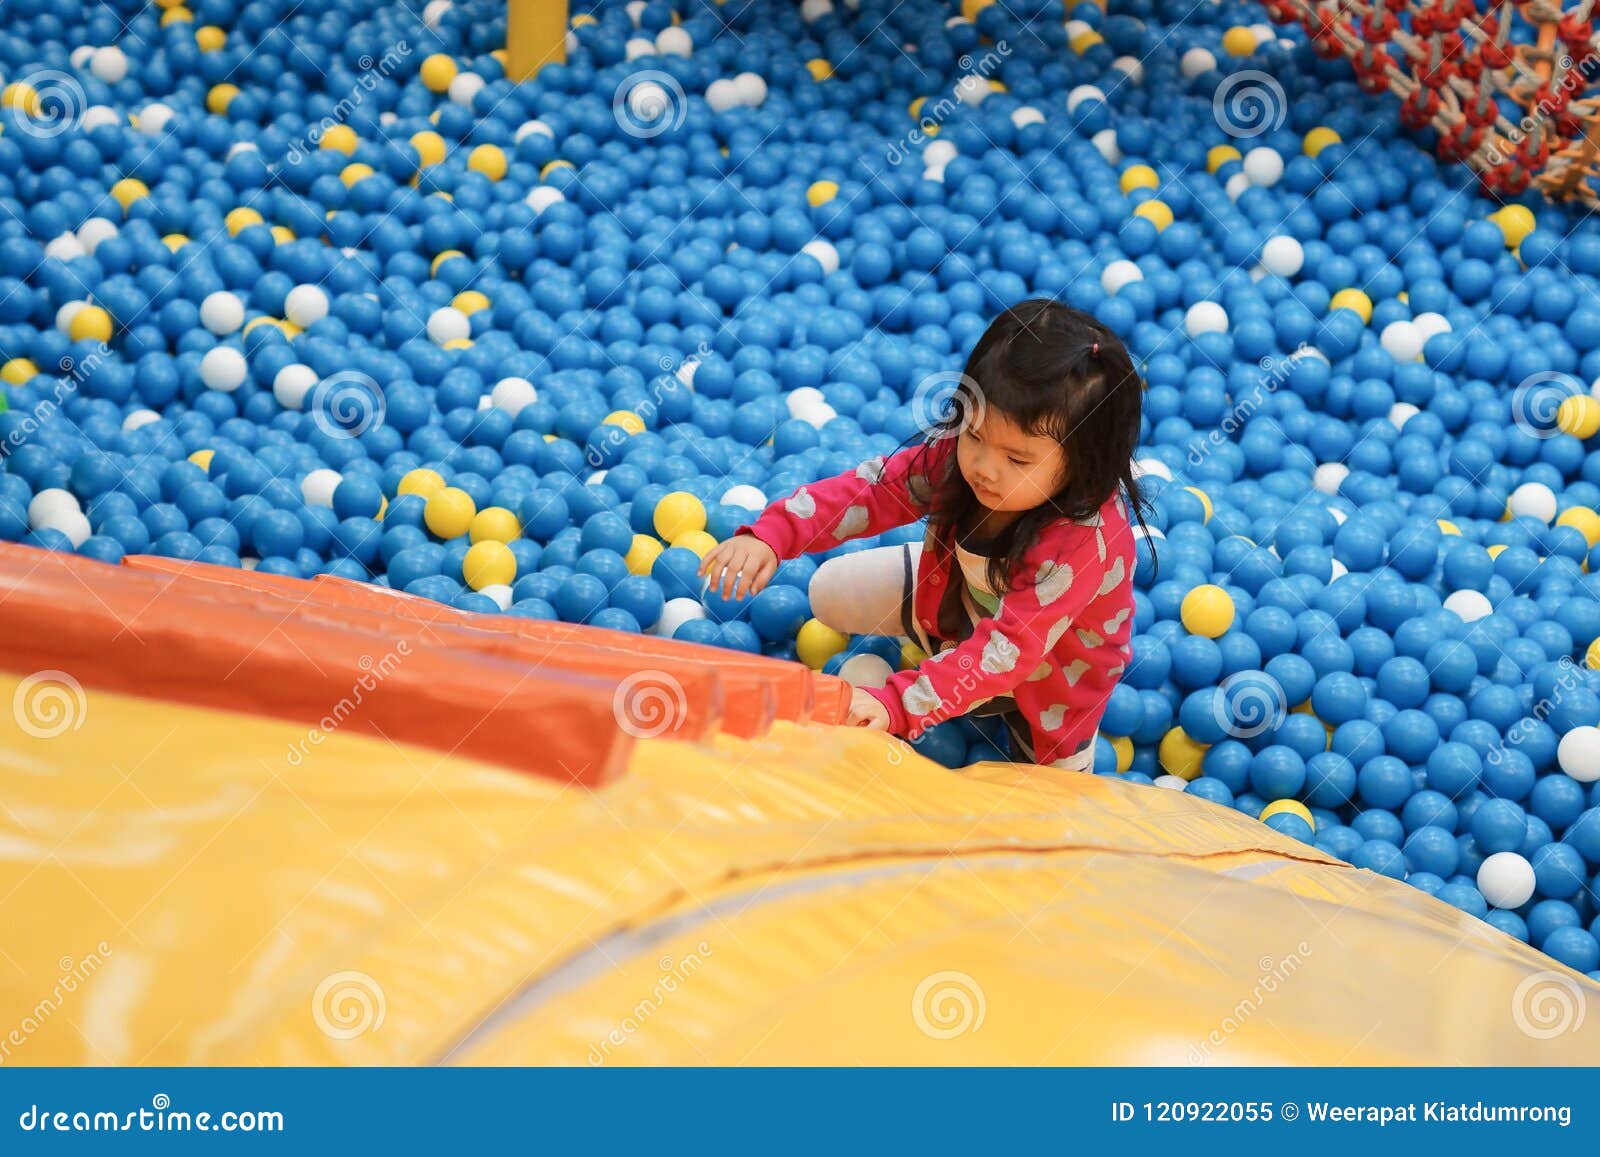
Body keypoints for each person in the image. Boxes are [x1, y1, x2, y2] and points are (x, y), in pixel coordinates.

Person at [698, 299, 1149, 770]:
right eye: (974, 434)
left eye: (1017, 459)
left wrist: (896, 704)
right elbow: (870, 492)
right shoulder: (959, 460)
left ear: (1084, 468)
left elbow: (1005, 654)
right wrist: (772, 534)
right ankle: (936, 659)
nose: (984, 468)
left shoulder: (1080, 544)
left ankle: (988, 705)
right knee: (829, 591)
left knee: (1050, 806)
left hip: (1046, 672)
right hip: (958, 607)